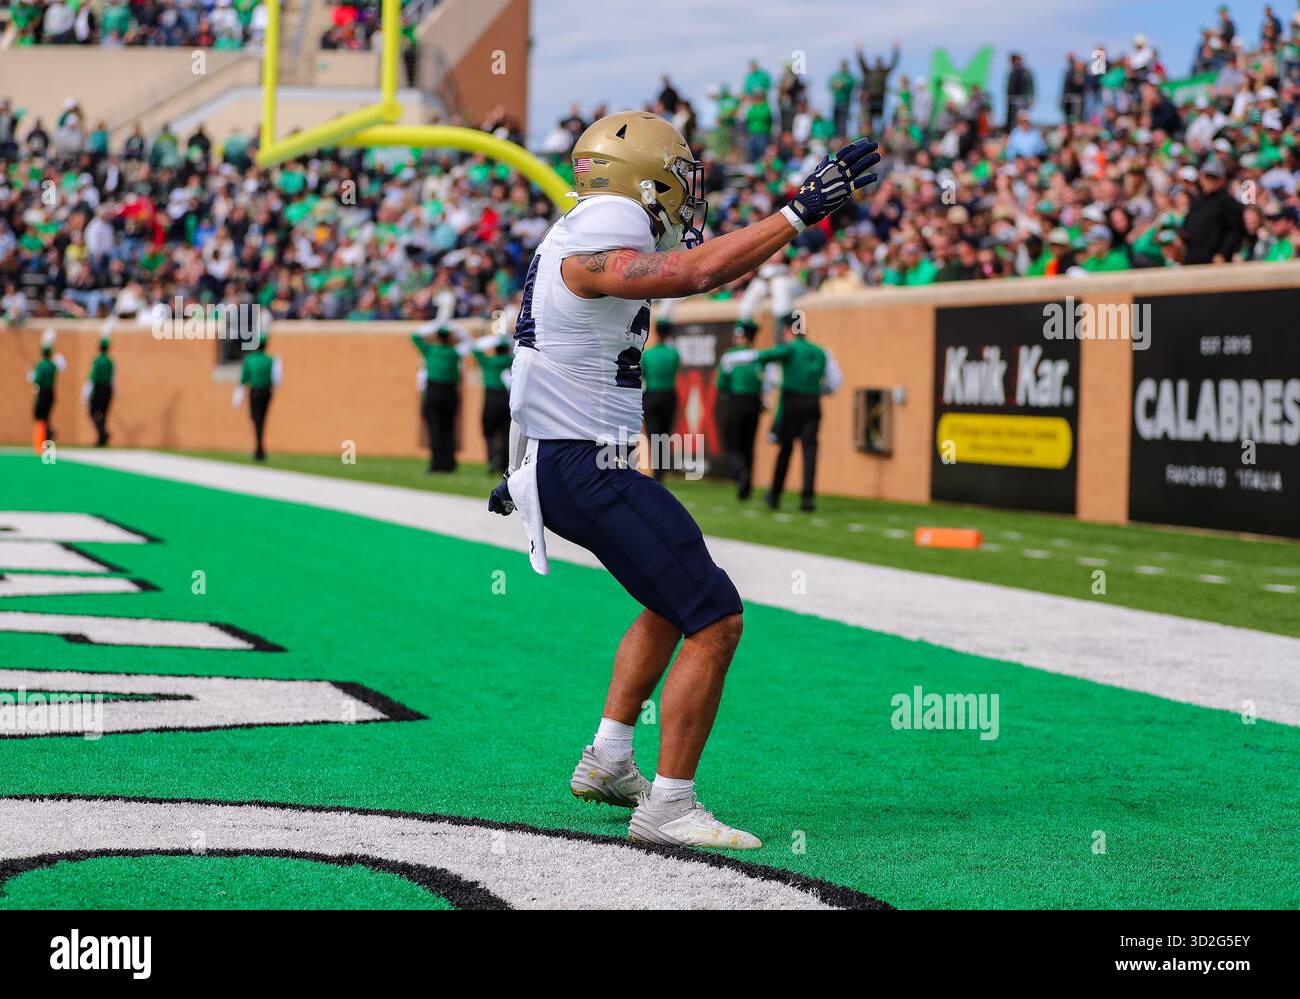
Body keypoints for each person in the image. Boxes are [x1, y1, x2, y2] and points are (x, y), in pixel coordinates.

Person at [488, 110, 879, 849]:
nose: (682, 196)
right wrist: (798, 211)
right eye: (675, 180)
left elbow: (698, 274)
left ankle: (608, 757)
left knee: (674, 592)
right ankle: (669, 806)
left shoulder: (577, 236)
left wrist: (527, 461)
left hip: (572, 458)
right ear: (640, 183)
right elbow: (696, 271)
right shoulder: (599, 239)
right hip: (582, 463)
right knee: (716, 615)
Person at [722, 322, 842, 512]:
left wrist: (731, 359)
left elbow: (758, 356)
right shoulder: (821, 352)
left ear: (789, 331)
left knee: (785, 451)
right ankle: (807, 498)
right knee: (809, 451)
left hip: (791, 403)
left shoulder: (788, 350)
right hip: (812, 403)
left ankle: (775, 494)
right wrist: (813, 390)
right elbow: (834, 383)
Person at [716, 319, 764, 500]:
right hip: (754, 402)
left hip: (736, 401)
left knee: (732, 440)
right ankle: (747, 485)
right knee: (749, 444)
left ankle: (740, 471)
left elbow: (721, 383)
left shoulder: (731, 356)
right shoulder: (758, 356)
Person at [412, 324, 467, 473]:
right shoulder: (454, 353)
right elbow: (467, 340)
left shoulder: (430, 350)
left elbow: (414, 336)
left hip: (434, 391)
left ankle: (436, 463)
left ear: (437, 337)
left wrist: (436, 323)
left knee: (434, 428)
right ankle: (450, 463)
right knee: (448, 428)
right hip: (450, 392)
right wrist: (452, 327)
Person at [1181, 158, 1245, 264]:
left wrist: (1223, 253)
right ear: (1201, 178)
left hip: (1214, 260)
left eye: (1214, 178)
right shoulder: (1196, 201)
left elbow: (1235, 231)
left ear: (1222, 179)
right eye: (1207, 177)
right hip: (1193, 257)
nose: (1210, 182)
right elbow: (1187, 225)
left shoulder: (1228, 202)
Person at [640, 318, 680, 480]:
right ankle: (661, 471)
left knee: (653, 433)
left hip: (651, 395)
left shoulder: (648, 354)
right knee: (665, 434)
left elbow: (643, 375)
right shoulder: (674, 354)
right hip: (669, 395)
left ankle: (657, 470)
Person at [471, 332, 514, 475]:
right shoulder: (512, 360)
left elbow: (475, 348)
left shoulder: (489, 362)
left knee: (488, 431)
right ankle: (504, 462)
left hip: (491, 397)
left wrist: (493, 339)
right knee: (505, 432)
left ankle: (492, 457)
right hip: (507, 399)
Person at [233, 334, 281, 462]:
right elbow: (277, 380)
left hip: (255, 391)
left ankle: (259, 450)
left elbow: (243, 379)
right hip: (266, 391)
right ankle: (260, 449)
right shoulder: (271, 360)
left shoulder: (249, 360)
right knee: (261, 419)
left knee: (256, 419)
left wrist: (237, 398)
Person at [28, 331, 65, 449]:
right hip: (51, 392)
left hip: (43, 392)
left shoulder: (41, 365)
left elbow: (37, 380)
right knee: (46, 415)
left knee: (39, 414)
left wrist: (31, 376)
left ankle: (45, 435)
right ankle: (47, 437)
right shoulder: (54, 365)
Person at [85, 334, 114, 446]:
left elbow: (93, 376)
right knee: (104, 413)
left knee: (93, 411)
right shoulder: (110, 361)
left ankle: (102, 433)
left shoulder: (97, 360)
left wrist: (88, 391)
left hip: (98, 387)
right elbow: (113, 377)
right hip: (108, 388)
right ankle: (102, 437)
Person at [1005, 52, 1035, 131]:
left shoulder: (1025, 72)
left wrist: (1031, 97)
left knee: (1023, 116)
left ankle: (1024, 132)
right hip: (1013, 100)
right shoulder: (1012, 73)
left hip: (1023, 99)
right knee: (1013, 119)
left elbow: (1030, 86)